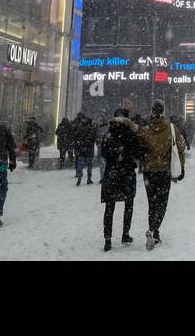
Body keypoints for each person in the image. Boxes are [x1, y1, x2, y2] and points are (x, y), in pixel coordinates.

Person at [101, 108, 146, 251]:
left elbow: (103, 154)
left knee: (109, 206)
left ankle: (107, 239)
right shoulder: (131, 135)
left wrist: (114, 160)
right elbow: (139, 152)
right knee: (128, 204)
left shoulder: (108, 135)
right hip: (126, 174)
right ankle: (125, 234)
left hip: (111, 173)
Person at [138, 101, 177, 250]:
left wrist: (145, 159)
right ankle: (154, 230)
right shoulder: (170, 129)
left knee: (152, 203)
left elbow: (139, 148)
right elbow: (179, 147)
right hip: (164, 171)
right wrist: (180, 168)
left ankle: (154, 231)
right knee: (162, 203)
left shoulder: (145, 130)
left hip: (149, 172)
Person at [73, 112, 97, 186]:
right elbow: (94, 139)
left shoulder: (81, 128)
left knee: (81, 163)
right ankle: (89, 179)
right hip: (89, 149)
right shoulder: (92, 129)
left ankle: (79, 179)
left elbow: (76, 136)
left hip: (82, 148)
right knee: (89, 165)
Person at [171, 116, 189, 182]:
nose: (177, 123)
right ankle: (178, 173)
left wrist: (187, 143)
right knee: (176, 159)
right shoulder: (171, 128)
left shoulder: (175, 128)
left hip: (178, 146)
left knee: (179, 159)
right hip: (175, 146)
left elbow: (185, 136)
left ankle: (181, 171)